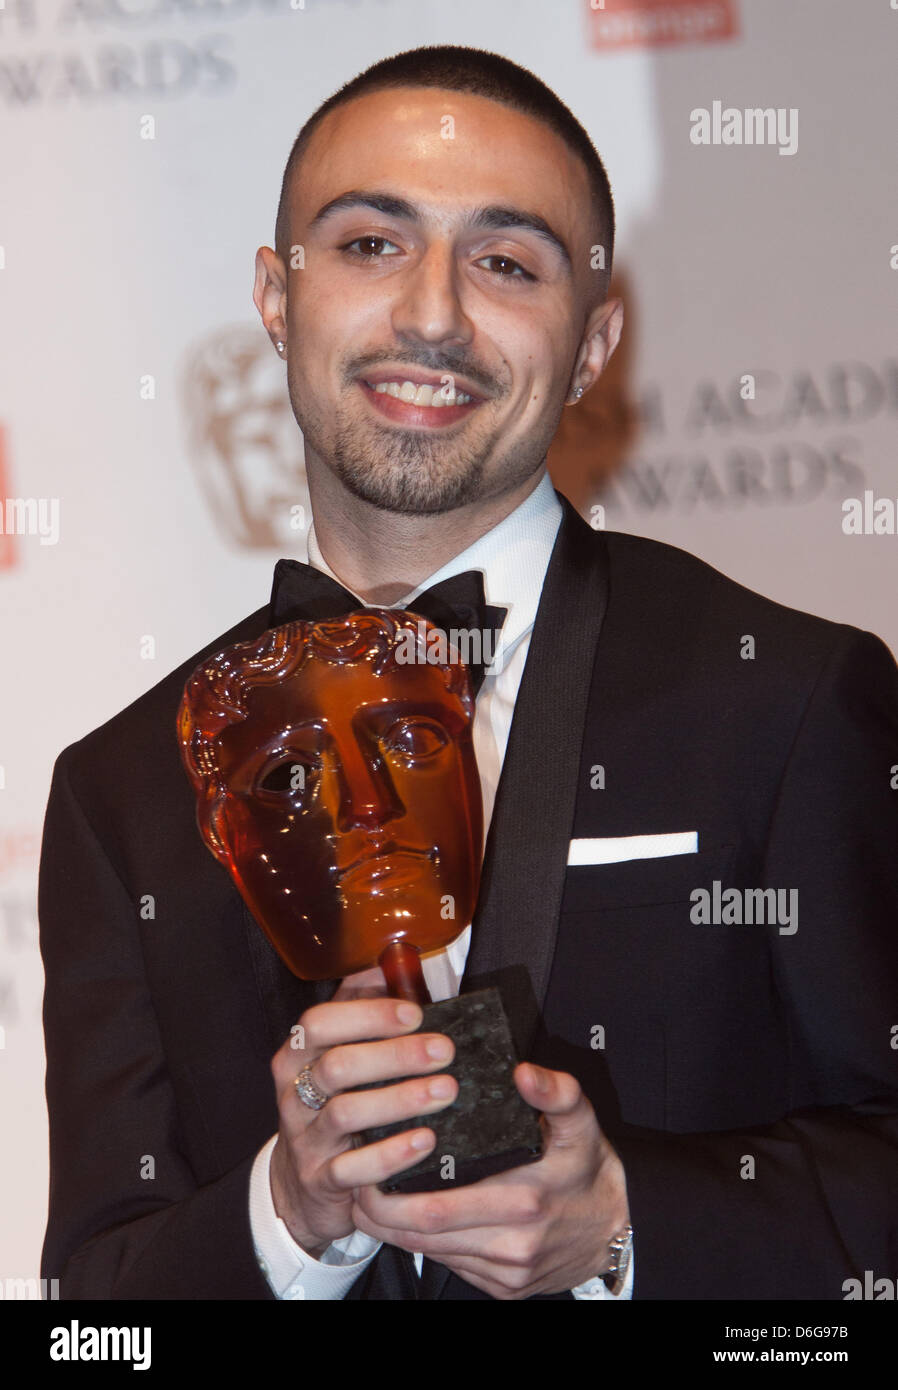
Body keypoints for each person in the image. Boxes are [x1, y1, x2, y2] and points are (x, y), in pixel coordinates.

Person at [38, 44, 898, 1302]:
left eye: (505, 262)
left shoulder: (783, 697)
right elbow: (94, 1318)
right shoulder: (124, 787)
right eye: (371, 244)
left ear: (595, 339)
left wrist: (623, 1225)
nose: (433, 313)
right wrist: (291, 1213)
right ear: (277, 299)